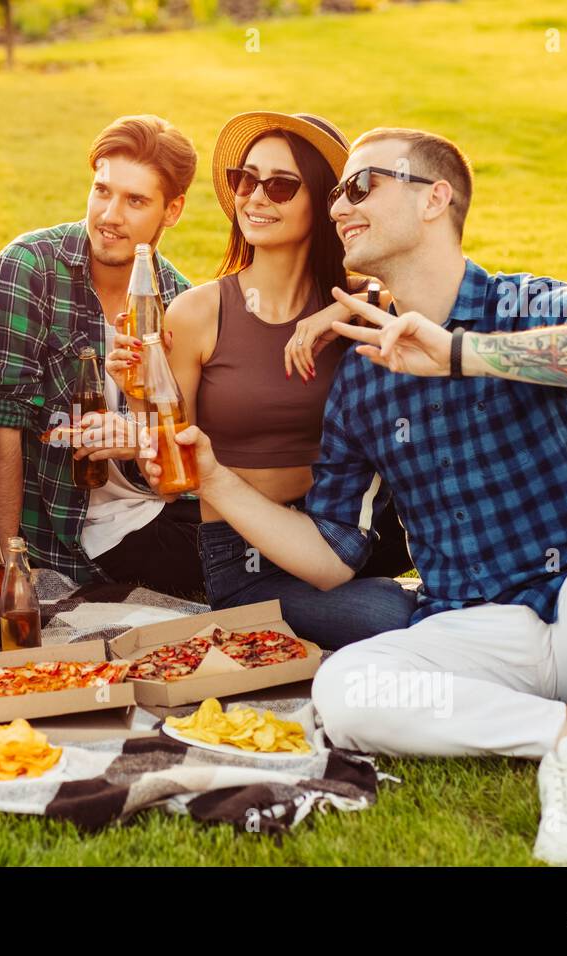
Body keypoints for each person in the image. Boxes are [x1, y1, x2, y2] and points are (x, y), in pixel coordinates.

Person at [140, 127, 567, 866]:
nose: (338, 208)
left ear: (435, 198)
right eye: (336, 194)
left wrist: (462, 355)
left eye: (361, 186)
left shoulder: (519, 303)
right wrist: (216, 481)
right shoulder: (363, 375)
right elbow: (332, 557)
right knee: (346, 691)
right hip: (482, 631)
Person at [105, 112, 416, 648]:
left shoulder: (363, 302)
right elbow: (168, 477)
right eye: (245, 180)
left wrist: (330, 316)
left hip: (357, 532)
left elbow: (447, 291)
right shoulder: (198, 314)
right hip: (248, 558)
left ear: (323, 200)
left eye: (279, 185)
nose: (255, 197)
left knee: (461, 601)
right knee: (395, 620)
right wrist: (141, 399)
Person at [0, 115, 205, 596]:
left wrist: (139, 437)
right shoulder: (30, 269)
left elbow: (178, 468)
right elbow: (0, 435)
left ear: (173, 210)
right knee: (235, 568)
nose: (109, 216)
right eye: (102, 191)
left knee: (255, 540)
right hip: (77, 528)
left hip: (157, 504)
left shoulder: (179, 302)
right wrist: (5, 573)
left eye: (135, 200)